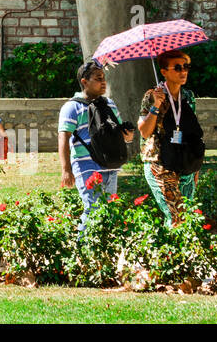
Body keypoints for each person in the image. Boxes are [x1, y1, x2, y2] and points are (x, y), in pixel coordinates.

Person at [58, 61, 133, 228]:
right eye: (98, 78)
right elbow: (63, 137)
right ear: (84, 82)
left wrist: (128, 135)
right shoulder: (72, 107)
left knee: (109, 210)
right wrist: (66, 169)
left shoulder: (109, 104)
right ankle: (83, 248)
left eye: (104, 78)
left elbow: (122, 135)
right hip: (86, 165)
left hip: (110, 165)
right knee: (92, 209)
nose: (103, 82)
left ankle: (100, 248)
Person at [137, 49, 200, 225]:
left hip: (184, 160)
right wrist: (156, 106)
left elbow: (192, 131)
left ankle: (183, 252)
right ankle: (169, 252)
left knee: (187, 216)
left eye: (186, 67)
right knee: (175, 217)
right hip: (160, 163)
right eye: (178, 68)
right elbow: (144, 131)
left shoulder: (188, 96)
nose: (183, 71)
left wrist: (196, 166)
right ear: (164, 72)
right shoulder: (152, 96)